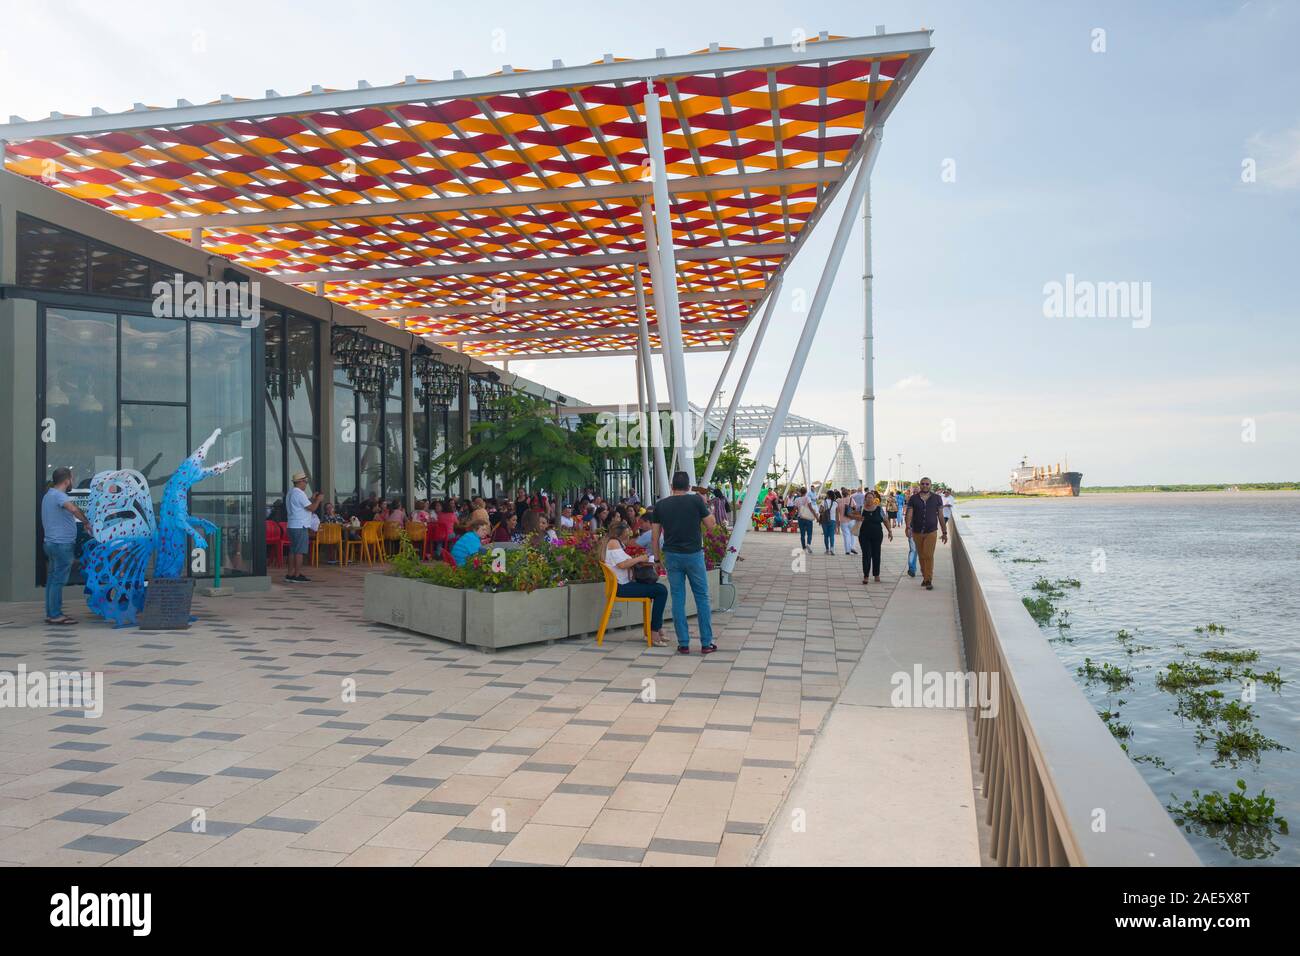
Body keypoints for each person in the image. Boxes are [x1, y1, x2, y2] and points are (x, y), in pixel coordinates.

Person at [652, 471, 717, 655]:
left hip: (672, 556)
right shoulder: (696, 501)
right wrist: (705, 504)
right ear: (689, 487)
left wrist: (657, 559)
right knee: (702, 598)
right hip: (694, 555)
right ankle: (706, 643)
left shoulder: (661, 505)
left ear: (672, 486)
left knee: (678, 599)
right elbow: (711, 525)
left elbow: (655, 537)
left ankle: (683, 643)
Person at [601, 518, 669, 647]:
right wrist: (640, 558)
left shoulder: (612, 542)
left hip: (621, 585)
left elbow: (622, 563)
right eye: (627, 535)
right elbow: (622, 564)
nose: (628, 537)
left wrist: (638, 560)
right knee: (661, 590)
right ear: (621, 534)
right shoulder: (614, 543)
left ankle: (656, 629)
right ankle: (654, 632)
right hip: (622, 587)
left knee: (657, 589)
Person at [41, 467, 88, 625]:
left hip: (51, 543)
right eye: (71, 479)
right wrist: (86, 522)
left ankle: (51, 613)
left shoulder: (48, 495)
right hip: (61, 544)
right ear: (67, 480)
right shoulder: (59, 495)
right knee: (58, 580)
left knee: (53, 579)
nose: (72, 482)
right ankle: (55, 615)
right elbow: (73, 508)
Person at [905, 476, 947, 590]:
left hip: (931, 531)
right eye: (923, 484)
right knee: (922, 556)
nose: (925, 485)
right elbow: (909, 513)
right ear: (920, 485)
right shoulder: (913, 499)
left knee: (928, 555)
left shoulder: (937, 498)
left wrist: (944, 532)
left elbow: (941, 516)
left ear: (930, 485)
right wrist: (908, 527)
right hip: (917, 531)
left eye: (927, 484)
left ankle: (928, 579)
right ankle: (925, 576)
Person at [285, 471, 324, 583]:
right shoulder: (299, 493)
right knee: (299, 552)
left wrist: (312, 498)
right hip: (300, 526)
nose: (306, 484)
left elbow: (303, 505)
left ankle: (290, 574)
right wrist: (318, 500)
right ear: (301, 481)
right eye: (305, 481)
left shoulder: (291, 492)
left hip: (291, 525)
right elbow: (311, 508)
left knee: (293, 551)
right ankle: (297, 575)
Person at [859, 491, 893, 585]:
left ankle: (876, 574)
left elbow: (885, 520)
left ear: (874, 499)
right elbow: (851, 514)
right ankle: (866, 576)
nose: (869, 499)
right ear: (865, 499)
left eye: (871, 498)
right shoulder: (861, 509)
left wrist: (890, 531)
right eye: (867, 497)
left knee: (876, 554)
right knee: (866, 555)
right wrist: (856, 517)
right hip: (864, 535)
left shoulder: (879, 509)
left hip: (877, 535)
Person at [836, 488, 859, 556]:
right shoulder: (851, 499)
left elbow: (837, 512)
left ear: (842, 494)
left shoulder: (839, 501)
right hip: (851, 519)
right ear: (848, 493)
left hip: (843, 521)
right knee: (852, 534)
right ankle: (852, 547)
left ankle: (847, 550)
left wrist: (837, 522)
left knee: (846, 535)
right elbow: (855, 508)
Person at [794, 486, 816, 553]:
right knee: (809, 533)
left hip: (800, 517)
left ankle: (803, 547)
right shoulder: (807, 498)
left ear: (800, 492)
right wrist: (816, 516)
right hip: (808, 517)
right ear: (806, 492)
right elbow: (810, 508)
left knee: (802, 533)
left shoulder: (797, 499)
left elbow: (795, 509)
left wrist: (792, 516)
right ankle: (808, 544)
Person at [819, 489, 838, 554]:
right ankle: (832, 549)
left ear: (828, 495)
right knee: (832, 535)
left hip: (824, 520)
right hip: (833, 520)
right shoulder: (835, 503)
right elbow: (837, 514)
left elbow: (820, 511)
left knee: (826, 535)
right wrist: (837, 523)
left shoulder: (823, 502)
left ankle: (827, 549)